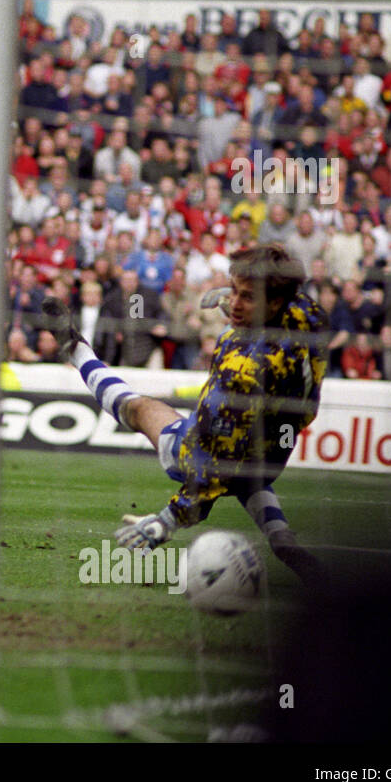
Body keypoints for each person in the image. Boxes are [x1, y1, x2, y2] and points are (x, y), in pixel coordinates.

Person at [41, 244, 328, 586]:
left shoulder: (241, 373)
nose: (235, 303)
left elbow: (215, 469)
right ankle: (280, 536)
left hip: (224, 446)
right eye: (235, 291)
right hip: (275, 447)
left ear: (275, 301)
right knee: (251, 469)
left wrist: (166, 520)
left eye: (247, 297)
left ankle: (75, 349)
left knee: (139, 409)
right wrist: (236, 298)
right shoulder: (306, 315)